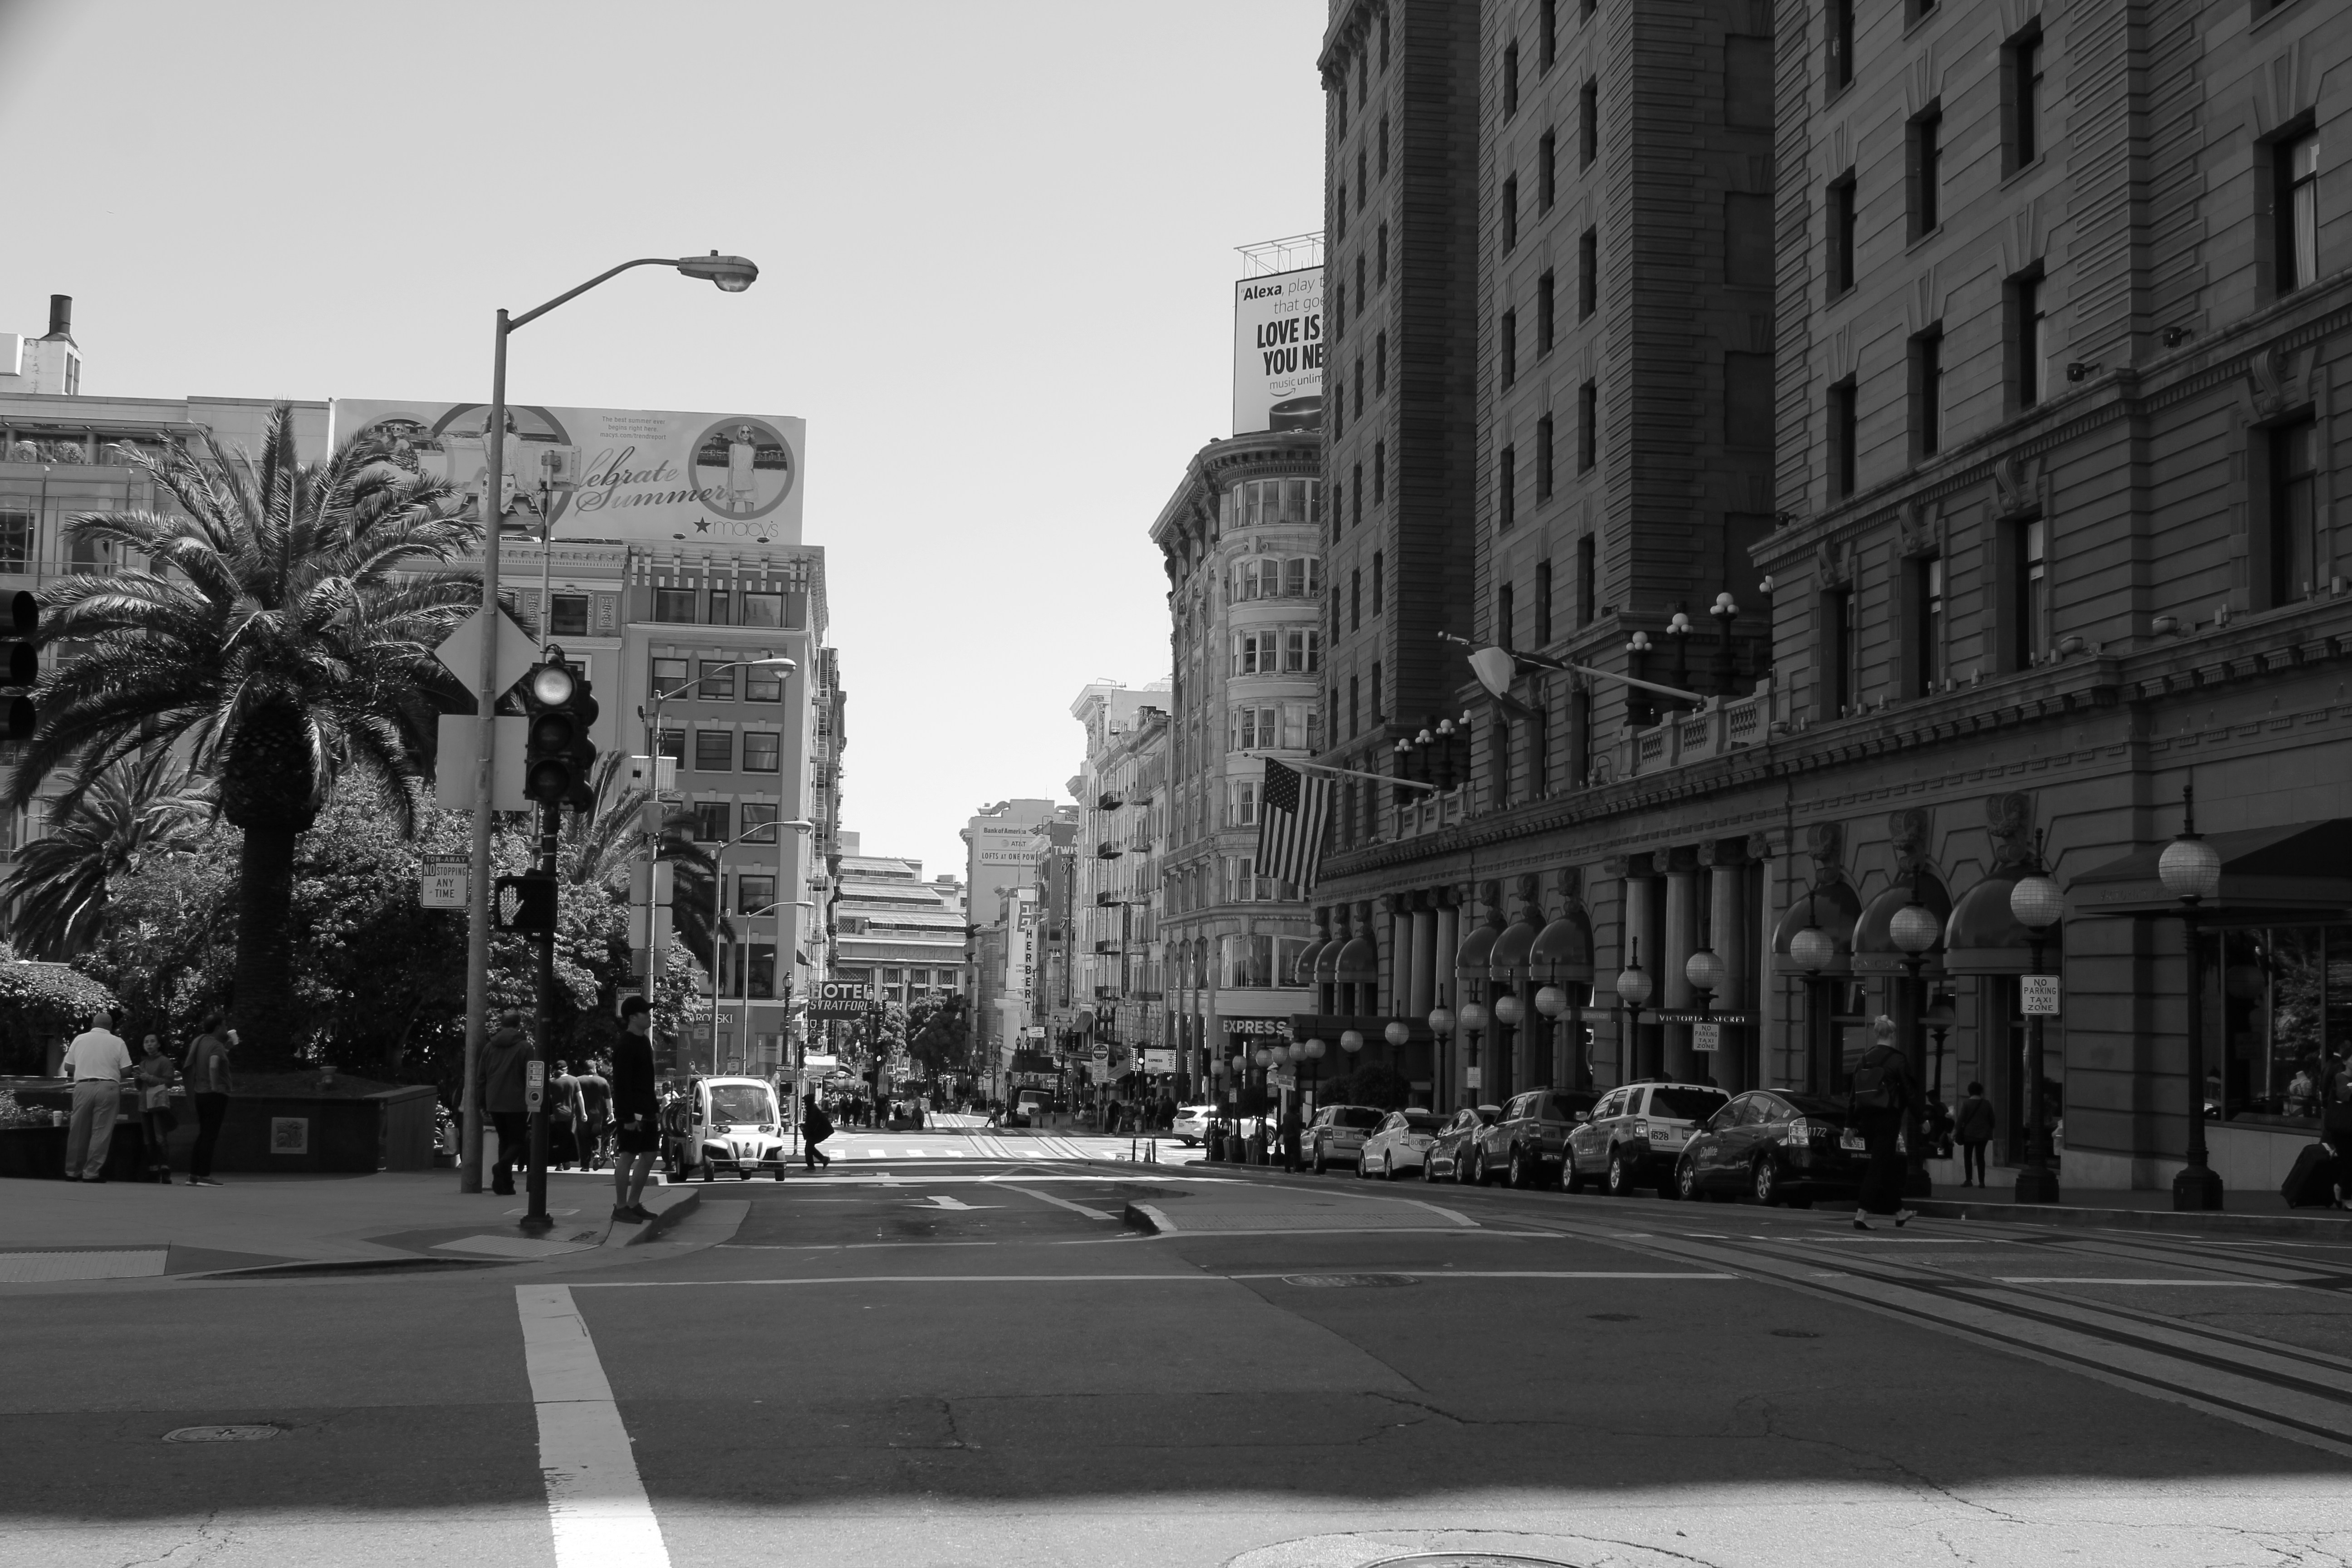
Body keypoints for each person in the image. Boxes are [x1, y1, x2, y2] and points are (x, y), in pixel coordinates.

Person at [1846, 1015, 1918, 1230]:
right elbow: (1909, 1092)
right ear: (1893, 1035)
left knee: (1886, 1164)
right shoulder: (1898, 1059)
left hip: (1866, 1120)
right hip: (1888, 1120)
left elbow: (1854, 1095)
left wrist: (1849, 1125)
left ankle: (1900, 1212)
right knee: (1878, 1166)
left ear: (1876, 1034)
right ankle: (1861, 1214)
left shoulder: (1864, 1059)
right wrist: (1921, 1118)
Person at [61, 1009, 133, 1182]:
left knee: (78, 1130)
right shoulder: (118, 1042)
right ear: (111, 1026)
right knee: (101, 1132)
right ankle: (91, 1173)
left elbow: (68, 1067)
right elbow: (126, 1071)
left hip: (83, 1087)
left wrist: (86, 1066)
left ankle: (73, 1172)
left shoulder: (80, 1039)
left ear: (93, 1025)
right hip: (108, 1088)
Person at [610, 998, 660, 1222]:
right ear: (633, 1018)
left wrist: (655, 1107)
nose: (649, 1016)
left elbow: (648, 1080)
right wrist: (627, 1117)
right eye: (645, 1013)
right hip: (631, 1114)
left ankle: (633, 1203)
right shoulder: (626, 1044)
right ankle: (621, 1207)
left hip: (647, 1110)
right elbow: (621, 1085)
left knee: (649, 1155)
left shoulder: (644, 1042)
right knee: (628, 1156)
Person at [474, 1009, 533, 1196]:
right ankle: (501, 1168)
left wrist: (482, 1103)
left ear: (501, 1024)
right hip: (517, 1102)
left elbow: (481, 1077)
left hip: (494, 1100)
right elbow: (532, 1078)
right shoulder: (525, 1047)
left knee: (504, 1141)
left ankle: (504, 1184)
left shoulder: (489, 1047)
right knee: (518, 1141)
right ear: (519, 1025)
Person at [182, 1014, 233, 1187]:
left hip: (200, 1094)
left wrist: (227, 1049)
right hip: (214, 1095)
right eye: (225, 1025)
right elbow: (213, 1064)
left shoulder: (201, 1042)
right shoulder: (216, 1046)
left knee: (203, 1135)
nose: (226, 1029)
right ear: (218, 1028)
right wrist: (215, 1086)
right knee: (210, 1136)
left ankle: (193, 1175)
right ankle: (204, 1175)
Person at [134, 1034, 179, 1182]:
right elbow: (140, 1087)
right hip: (144, 1105)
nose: (149, 1044)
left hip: (158, 1104)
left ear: (159, 1044)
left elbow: (170, 1082)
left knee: (160, 1138)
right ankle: (153, 1168)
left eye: (153, 1041)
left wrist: (150, 1078)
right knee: (148, 1139)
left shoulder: (165, 1061)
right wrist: (138, 1079)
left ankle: (165, 1168)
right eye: (146, 1042)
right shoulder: (143, 1063)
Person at [1954, 1080, 1996, 1188]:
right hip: (1983, 1135)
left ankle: (1969, 1180)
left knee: (1968, 1157)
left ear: (1969, 1092)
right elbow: (1992, 1120)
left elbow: (1961, 1119)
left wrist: (1955, 1131)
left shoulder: (1966, 1103)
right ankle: (1982, 1182)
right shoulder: (1987, 1104)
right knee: (1981, 1157)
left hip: (1969, 1134)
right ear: (1981, 1091)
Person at [577, 1058, 612, 1171]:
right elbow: (608, 1099)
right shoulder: (602, 1081)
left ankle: (585, 1165)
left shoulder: (578, 1081)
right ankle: (597, 1154)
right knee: (597, 1136)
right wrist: (611, 1113)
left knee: (584, 1139)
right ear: (595, 1068)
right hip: (598, 1115)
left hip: (583, 1115)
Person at [547, 1058, 581, 1171]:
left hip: (557, 1115)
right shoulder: (574, 1080)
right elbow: (580, 1097)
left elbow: (549, 1099)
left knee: (558, 1139)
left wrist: (551, 1114)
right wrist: (584, 1112)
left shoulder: (551, 1082)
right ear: (566, 1069)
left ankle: (560, 1163)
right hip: (571, 1115)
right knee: (569, 1138)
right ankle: (567, 1161)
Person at [802, 1092, 834, 1169]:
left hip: (821, 1131)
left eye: (806, 1102)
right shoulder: (813, 1109)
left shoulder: (813, 1110)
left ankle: (812, 1165)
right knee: (810, 1148)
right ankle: (823, 1160)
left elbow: (812, 1124)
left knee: (809, 1148)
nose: (805, 1104)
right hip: (820, 1131)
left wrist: (806, 1130)